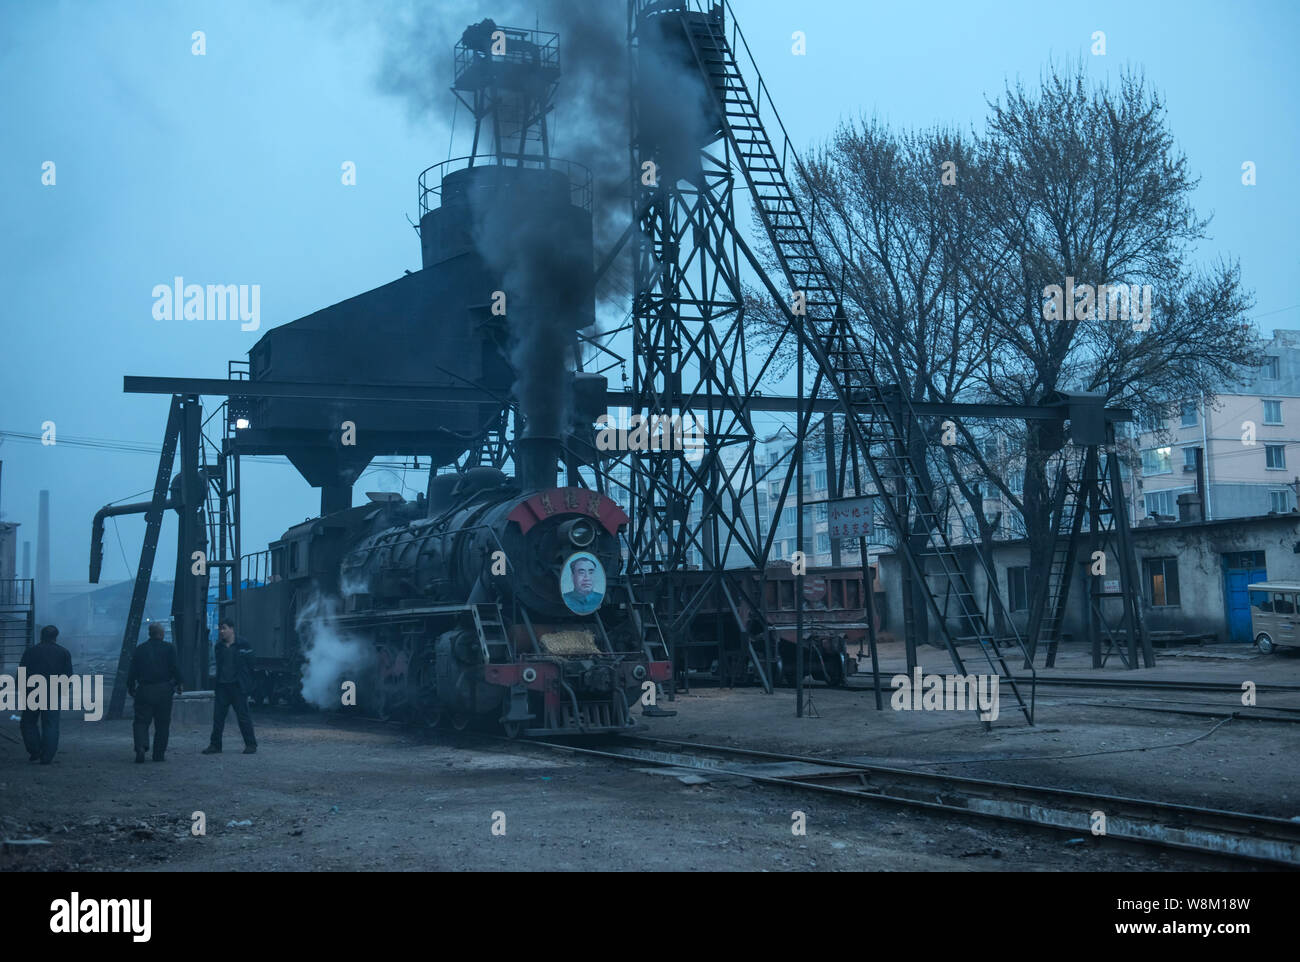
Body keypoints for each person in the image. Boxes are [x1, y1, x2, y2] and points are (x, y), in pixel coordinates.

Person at [127, 622, 182, 763]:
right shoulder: (169, 648)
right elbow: (175, 668)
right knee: (162, 724)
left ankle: (141, 746)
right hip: (164, 690)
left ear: (149, 634)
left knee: (140, 721)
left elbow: (132, 671)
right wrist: (179, 683)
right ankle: (159, 755)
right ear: (161, 634)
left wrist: (131, 687)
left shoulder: (140, 649)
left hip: (144, 689)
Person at [19, 624, 73, 765]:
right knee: (51, 724)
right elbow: (68, 676)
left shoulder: (30, 652)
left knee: (28, 722)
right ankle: (47, 756)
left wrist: (22, 690)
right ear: (56, 637)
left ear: (41, 635)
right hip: (53, 693)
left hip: (33, 692)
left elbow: (21, 673)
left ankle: (35, 750)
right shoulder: (64, 652)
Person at [202, 618, 257, 755]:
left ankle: (251, 745)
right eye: (220, 628)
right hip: (222, 687)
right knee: (218, 718)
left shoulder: (243, 644)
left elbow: (251, 665)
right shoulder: (219, 647)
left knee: (243, 717)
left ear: (231, 629)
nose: (221, 631)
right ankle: (215, 745)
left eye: (224, 628)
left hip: (238, 687)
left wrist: (247, 684)